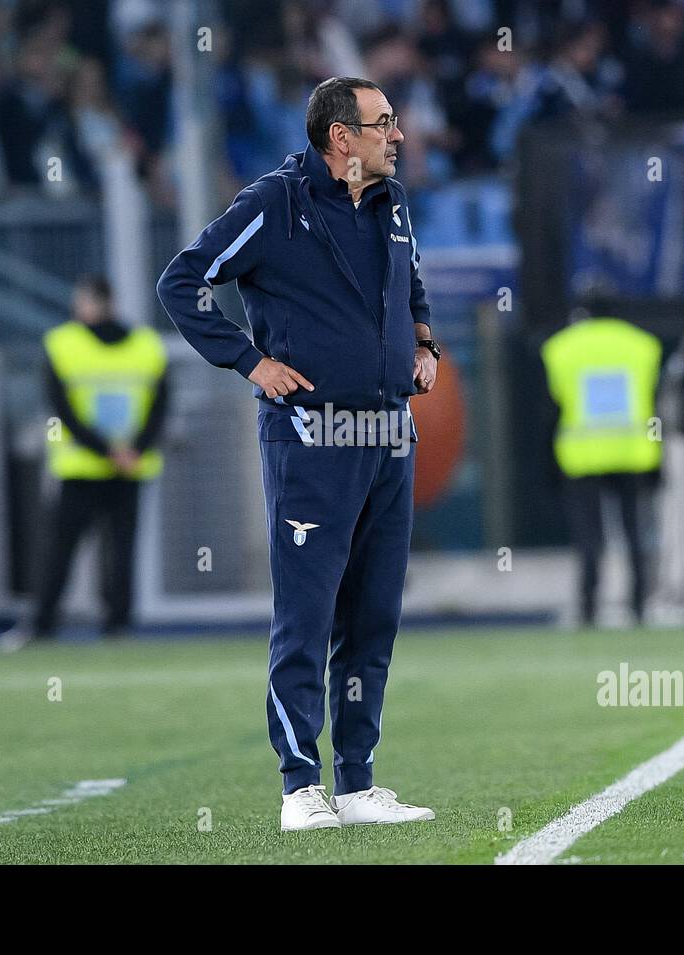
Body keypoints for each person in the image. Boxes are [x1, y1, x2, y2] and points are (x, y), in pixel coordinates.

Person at [157, 76, 440, 832]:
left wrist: (424, 342)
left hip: (387, 431)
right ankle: (298, 785)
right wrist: (249, 361)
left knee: (373, 614)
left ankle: (357, 781)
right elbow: (182, 280)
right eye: (384, 122)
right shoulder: (274, 204)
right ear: (339, 137)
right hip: (312, 437)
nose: (398, 135)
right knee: (307, 616)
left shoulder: (392, 201)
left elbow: (409, 286)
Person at [0, 275, 169, 651]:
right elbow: (62, 411)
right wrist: (116, 451)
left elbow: (159, 406)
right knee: (61, 550)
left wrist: (130, 449)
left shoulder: (145, 346)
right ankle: (43, 625)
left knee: (120, 552)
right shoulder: (64, 344)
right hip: (85, 467)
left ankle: (117, 626)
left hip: (124, 466)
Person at [541, 306, 662, 627]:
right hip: (631, 451)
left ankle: (588, 608)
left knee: (589, 537)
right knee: (635, 532)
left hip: (583, 453)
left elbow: (553, 403)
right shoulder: (641, 344)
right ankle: (639, 606)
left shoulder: (561, 347)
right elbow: (653, 397)